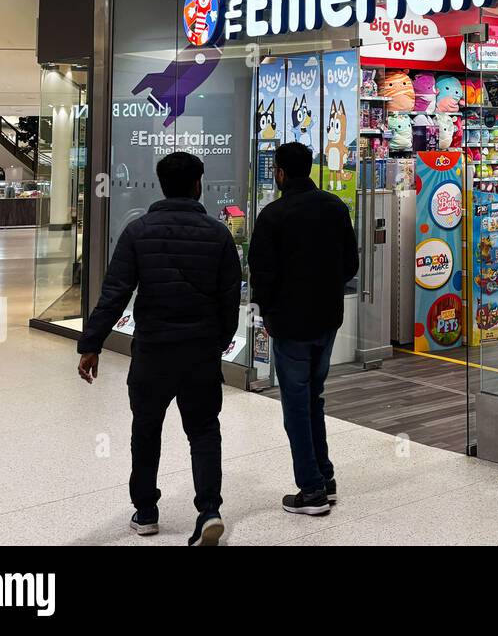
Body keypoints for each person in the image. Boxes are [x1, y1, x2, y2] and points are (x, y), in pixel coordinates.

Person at [76, 151, 241, 547]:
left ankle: (146, 511)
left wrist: (91, 343)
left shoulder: (138, 232)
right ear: (198, 184)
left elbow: (115, 292)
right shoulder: (218, 235)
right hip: (200, 350)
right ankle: (209, 511)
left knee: (146, 430)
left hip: (153, 349)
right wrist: (218, 342)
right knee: (203, 431)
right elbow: (229, 299)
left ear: (162, 183)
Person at [249, 141, 358, 517]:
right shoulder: (334, 207)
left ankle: (311, 489)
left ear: (280, 172)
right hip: (327, 319)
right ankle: (324, 477)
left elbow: (261, 273)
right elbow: (350, 264)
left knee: (296, 404)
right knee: (314, 397)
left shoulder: (273, 215)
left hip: (290, 323)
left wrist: (268, 310)